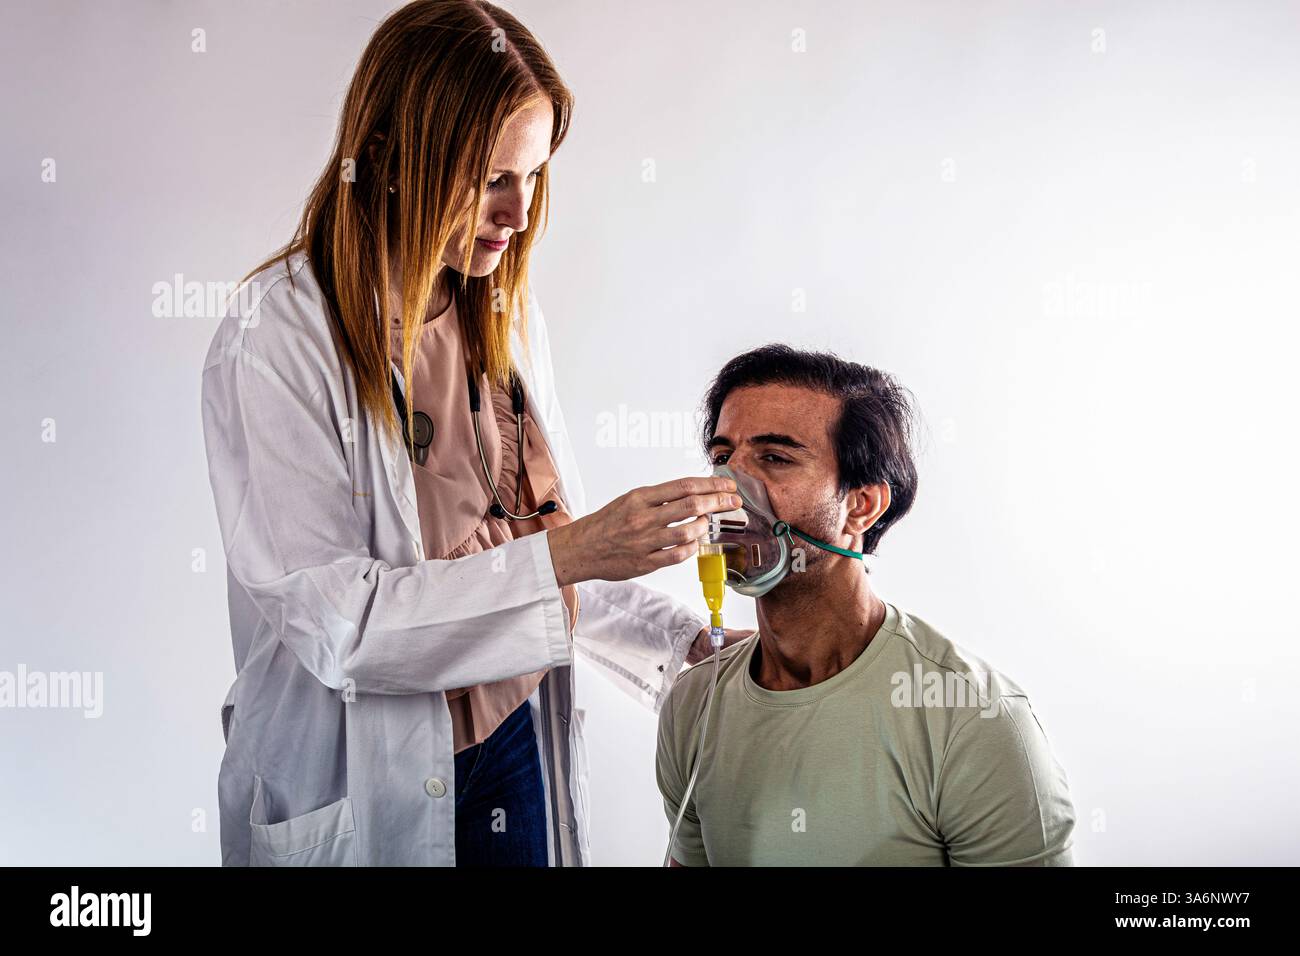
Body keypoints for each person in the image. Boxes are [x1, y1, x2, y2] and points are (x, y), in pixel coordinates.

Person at [200, 0, 745, 867]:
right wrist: (577, 553)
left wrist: (695, 647)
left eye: (533, 177)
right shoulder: (278, 337)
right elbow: (344, 626)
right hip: (361, 778)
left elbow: (539, 553)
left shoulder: (502, 312)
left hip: (509, 746)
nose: (519, 213)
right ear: (388, 155)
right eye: (492, 177)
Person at [656, 345, 1078, 865]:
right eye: (723, 458)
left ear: (862, 505)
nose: (726, 490)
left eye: (774, 458)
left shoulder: (970, 717)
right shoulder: (694, 705)